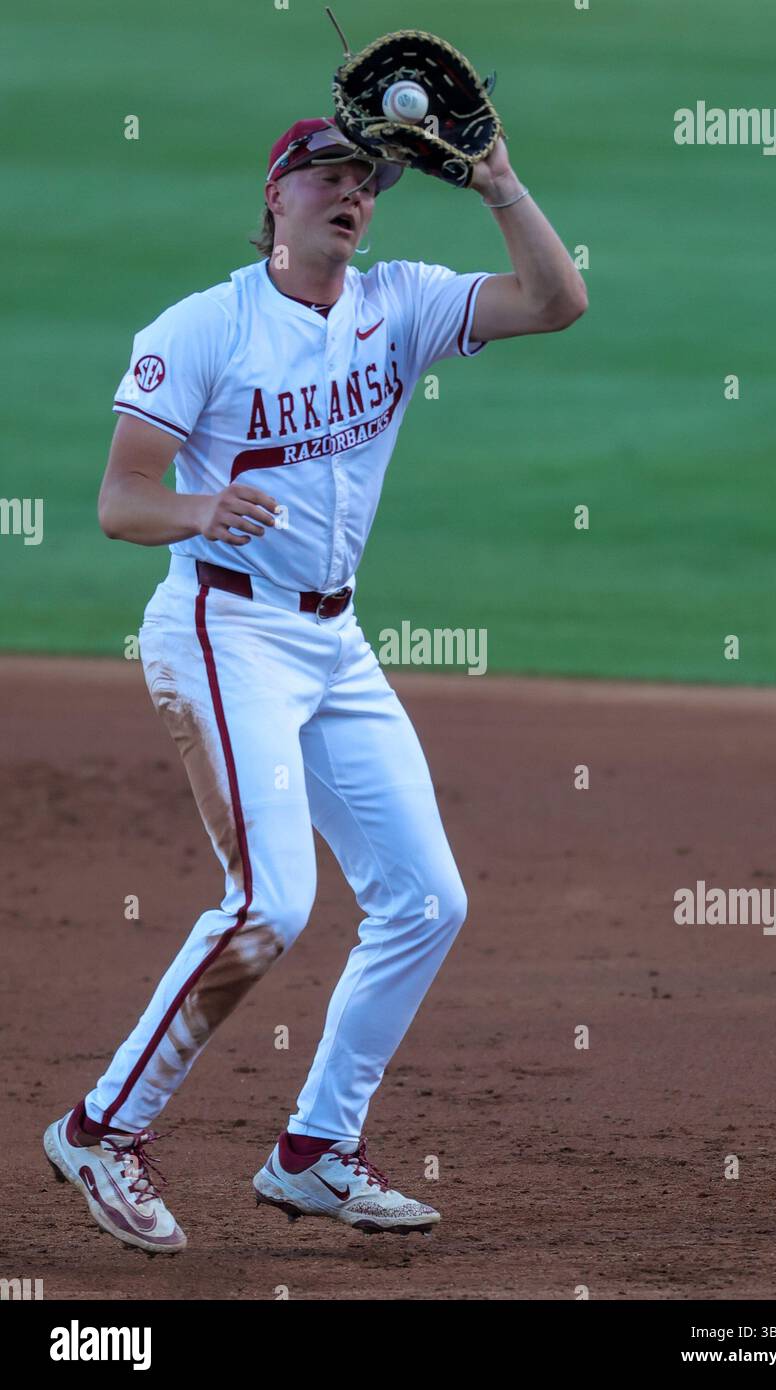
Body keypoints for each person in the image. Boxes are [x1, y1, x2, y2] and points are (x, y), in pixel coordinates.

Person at [43, 116, 587, 1252]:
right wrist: (199, 508)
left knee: (427, 899)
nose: (352, 194)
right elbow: (119, 501)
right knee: (270, 901)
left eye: (368, 182)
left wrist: (497, 183)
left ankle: (314, 1150)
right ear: (276, 194)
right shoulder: (204, 328)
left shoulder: (400, 302)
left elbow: (553, 301)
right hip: (219, 632)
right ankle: (103, 1128)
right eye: (330, 176)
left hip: (335, 646)